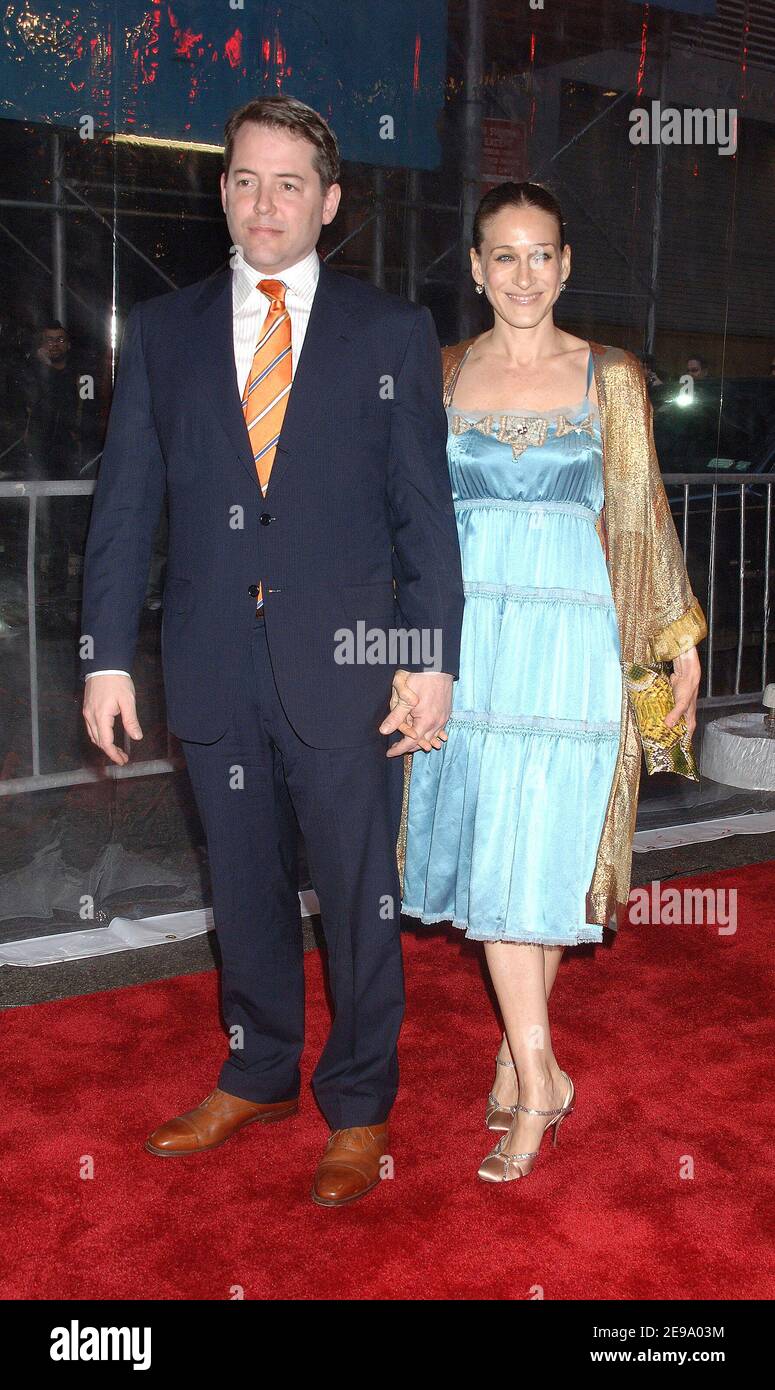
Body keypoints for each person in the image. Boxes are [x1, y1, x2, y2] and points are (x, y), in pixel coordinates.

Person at [80, 95, 463, 1207]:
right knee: (238, 884)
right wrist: (107, 653)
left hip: (350, 662)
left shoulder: (391, 334)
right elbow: (124, 504)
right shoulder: (163, 331)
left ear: (329, 201)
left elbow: (421, 516)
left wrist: (429, 658)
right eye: (245, 179)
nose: (264, 201)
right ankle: (255, 1072)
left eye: (288, 182)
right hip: (207, 658)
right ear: (222, 190)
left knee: (355, 896)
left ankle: (359, 1102)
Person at [400, 181, 707, 1184]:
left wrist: (672, 640)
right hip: (473, 645)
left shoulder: (608, 375)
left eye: (541, 255)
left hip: (572, 645)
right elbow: (409, 523)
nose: (523, 274)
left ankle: (533, 1079)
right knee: (500, 855)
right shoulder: (440, 373)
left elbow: (637, 514)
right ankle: (538, 1067)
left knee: (539, 855)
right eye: (504, 255)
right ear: (477, 267)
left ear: (564, 264)